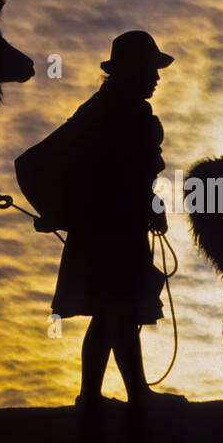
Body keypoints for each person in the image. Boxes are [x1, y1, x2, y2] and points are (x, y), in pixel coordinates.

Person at [49, 31, 186, 409]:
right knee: (120, 309)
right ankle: (129, 395)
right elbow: (124, 173)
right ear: (134, 71)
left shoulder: (102, 108)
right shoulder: (122, 112)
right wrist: (146, 204)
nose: (156, 78)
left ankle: (96, 395)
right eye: (151, 70)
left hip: (101, 226)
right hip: (115, 227)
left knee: (113, 311)